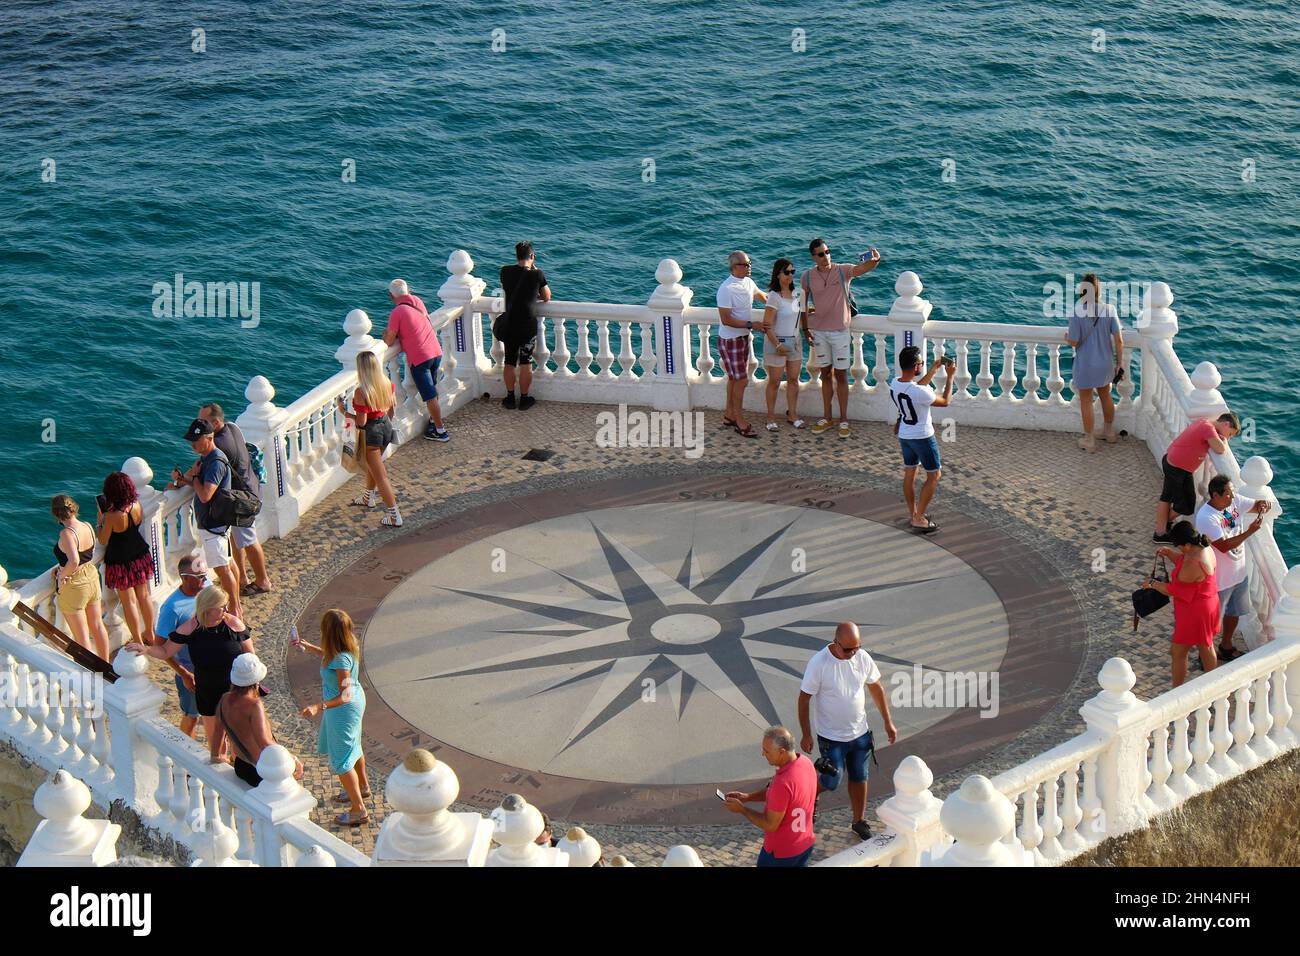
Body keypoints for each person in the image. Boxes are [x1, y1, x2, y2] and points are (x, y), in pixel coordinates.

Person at [797, 621, 898, 841]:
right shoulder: (819, 663)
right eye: (848, 649)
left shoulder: (861, 657)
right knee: (832, 780)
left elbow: (876, 688)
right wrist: (806, 733)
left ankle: (858, 821)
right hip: (831, 738)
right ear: (835, 643)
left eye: (857, 647)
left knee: (860, 777)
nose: (853, 653)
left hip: (860, 734)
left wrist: (887, 721)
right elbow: (804, 699)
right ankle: (809, 794)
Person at [127, 584, 252, 749]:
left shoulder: (233, 623)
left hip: (234, 689)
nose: (226, 610)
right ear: (208, 608)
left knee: (238, 740)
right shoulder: (190, 628)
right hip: (208, 691)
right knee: (217, 743)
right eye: (221, 607)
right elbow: (165, 651)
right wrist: (147, 649)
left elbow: (251, 657)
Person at [297, 609, 371, 826]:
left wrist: (319, 706)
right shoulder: (349, 646)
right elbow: (334, 658)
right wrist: (312, 649)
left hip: (343, 710)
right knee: (354, 746)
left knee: (341, 760)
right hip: (354, 702)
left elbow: (345, 695)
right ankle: (363, 787)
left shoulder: (340, 660)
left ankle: (358, 809)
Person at [801, 238, 881, 437]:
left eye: (828, 252)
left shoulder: (842, 270)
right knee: (825, 374)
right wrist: (805, 330)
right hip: (819, 331)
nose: (826, 256)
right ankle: (827, 417)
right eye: (821, 254)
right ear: (813, 257)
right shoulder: (807, 277)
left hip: (840, 331)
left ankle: (844, 419)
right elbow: (802, 305)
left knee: (842, 375)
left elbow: (862, 269)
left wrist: (874, 261)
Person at [169, 419, 243, 621]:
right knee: (227, 563)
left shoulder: (215, 463)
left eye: (196, 439)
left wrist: (193, 479)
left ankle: (235, 609)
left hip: (214, 525)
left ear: (209, 438)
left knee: (222, 568)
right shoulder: (206, 459)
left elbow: (205, 495)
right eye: (191, 439)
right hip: (218, 522)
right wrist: (184, 479)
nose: (192, 444)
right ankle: (236, 604)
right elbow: (200, 485)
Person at [198, 402, 273, 596]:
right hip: (248, 492)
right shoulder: (233, 427)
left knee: (248, 540)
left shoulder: (219, 447)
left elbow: (199, 469)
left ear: (215, 423)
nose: (199, 424)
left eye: (203, 421)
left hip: (242, 501)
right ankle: (242, 579)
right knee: (238, 538)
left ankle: (263, 580)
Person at [1195, 475, 1270, 661]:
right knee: (1212, 622)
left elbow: (1256, 504)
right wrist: (1250, 531)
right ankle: (1206, 655)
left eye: (1232, 491)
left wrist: (1263, 506)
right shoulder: (1206, 517)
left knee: (1234, 612)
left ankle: (1226, 646)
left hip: (1239, 573)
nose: (1232, 496)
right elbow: (1223, 545)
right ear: (1215, 495)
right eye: (1228, 494)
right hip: (1218, 580)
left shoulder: (1234, 501)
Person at [723, 726, 818, 867]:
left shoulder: (783, 782)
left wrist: (742, 809)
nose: (763, 754)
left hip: (781, 854)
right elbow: (780, 796)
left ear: (781, 752)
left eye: (766, 751)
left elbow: (770, 824)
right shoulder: (805, 763)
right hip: (805, 845)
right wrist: (748, 797)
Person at [888, 345, 955, 533]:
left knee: (910, 474)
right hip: (923, 437)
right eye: (922, 364)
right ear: (916, 366)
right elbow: (945, 401)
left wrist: (933, 370)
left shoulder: (895, 383)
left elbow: (917, 389)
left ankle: (913, 513)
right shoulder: (920, 392)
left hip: (905, 436)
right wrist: (950, 376)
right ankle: (919, 519)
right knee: (934, 475)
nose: (923, 366)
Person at [1146, 523, 1221, 687]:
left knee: (1178, 652)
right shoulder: (1203, 548)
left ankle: (1176, 691)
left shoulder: (1192, 564)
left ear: (1187, 544)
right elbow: (1185, 560)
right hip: (1207, 604)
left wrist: (1152, 584)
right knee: (1206, 645)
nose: (1179, 549)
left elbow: (1174, 589)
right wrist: (1170, 554)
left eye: (1179, 546)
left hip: (1195, 612)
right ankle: (1213, 686)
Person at [213, 653, 303, 786]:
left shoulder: (224, 699)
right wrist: (292, 759)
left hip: (240, 765)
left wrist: (215, 756)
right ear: (257, 680)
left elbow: (218, 734)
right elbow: (265, 743)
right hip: (261, 770)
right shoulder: (254, 704)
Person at [1154, 412, 1241, 542]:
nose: (1228, 438)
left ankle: (1163, 525)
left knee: (1186, 504)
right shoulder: (1207, 428)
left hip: (1177, 464)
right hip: (1176, 467)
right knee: (1173, 500)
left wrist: (1219, 436)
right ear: (1226, 424)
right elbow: (1220, 449)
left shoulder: (1204, 422)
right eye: (1230, 434)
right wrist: (1223, 440)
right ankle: (1160, 532)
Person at [338, 350, 402, 527]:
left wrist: (343, 411)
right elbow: (392, 408)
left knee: (381, 476)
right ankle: (368, 497)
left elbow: (361, 421)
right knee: (373, 468)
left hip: (372, 433)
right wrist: (385, 423)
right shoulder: (387, 383)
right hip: (386, 428)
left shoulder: (362, 391)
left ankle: (394, 515)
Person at [383, 279, 449, 442]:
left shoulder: (397, 312)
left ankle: (440, 431)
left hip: (420, 358)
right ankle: (434, 422)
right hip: (435, 351)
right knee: (433, 388)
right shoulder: (417, 301)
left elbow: (390, 340)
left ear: (391, 295)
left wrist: (386, 334)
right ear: (408, 291)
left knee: (429, 395)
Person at [96, 471, 157, 646]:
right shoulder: (136, 504)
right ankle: (150, 634)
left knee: (129, 602)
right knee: (144, 596)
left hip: (120, 561)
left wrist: (100, 521)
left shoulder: (112, 515)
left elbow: (103, 540)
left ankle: (137, 640)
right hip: (139, 554)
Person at [1065, 273, 1123, 451]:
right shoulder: (1110, 310)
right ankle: (1109, 432)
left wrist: (1067, 338)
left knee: (1086, 400)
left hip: (1086, 364)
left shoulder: (1077, 313)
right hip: (1105, 363)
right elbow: (1119, 340)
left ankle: (1089, 440)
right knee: (1106, 395)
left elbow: (1075, 341)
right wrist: (1119, 364)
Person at [154, 554, 209, 738]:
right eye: (199, 577)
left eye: (204, 575)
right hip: (191, 672)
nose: (205, 580)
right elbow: (160, 646)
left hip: (213, 667)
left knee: (219, 713)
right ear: (185, 578)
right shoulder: (171, 608)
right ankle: (185, 758)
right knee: (192, 717)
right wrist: (183, 673)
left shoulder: (206, 590)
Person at [50, 495, 110, 660]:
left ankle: (92, 673)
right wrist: (61, 567)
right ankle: (106, 665)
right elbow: (85, 556)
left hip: (75, 585)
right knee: (97, 625)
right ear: (74, 508)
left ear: (56, 514)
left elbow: (74, 560)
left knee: (82, 637)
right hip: (91, 577)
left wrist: (62, 574)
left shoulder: (66, 533)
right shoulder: (87, 526)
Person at [716, 250, 767, 438]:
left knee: (733, 379)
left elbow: (763, 297)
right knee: (741, 380)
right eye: (745, 264)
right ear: (734, 267)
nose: (749, 267)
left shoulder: (748, 282)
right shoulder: (726, 289)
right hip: (731, 341)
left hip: (742, 338)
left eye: (749, 263)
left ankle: (729, 415)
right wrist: (751, 325)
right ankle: (739, 420)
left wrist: (790, 302)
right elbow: (726, 319)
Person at [498, 241, 551, 411]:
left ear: (517, 256)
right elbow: (546, 297)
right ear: (532, 256)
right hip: (527, 326)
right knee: (526, 362)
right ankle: (525, 399)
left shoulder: (505, 271)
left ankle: (510, 397)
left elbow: (508, 289)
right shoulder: (537, 274)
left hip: (510, 324)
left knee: (509, 361)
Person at [760, 258, 804, 431]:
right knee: (775, 382)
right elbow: (767, 325)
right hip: (776, 344)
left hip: (795, 343)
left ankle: (792, 414)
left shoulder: (798, 294)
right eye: (786, 272)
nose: (790, 275)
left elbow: (801, 316)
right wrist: (778, 346)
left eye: (792, 272)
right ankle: (770, 417)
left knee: (793, 380)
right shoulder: (774, 296)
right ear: (778, 274)